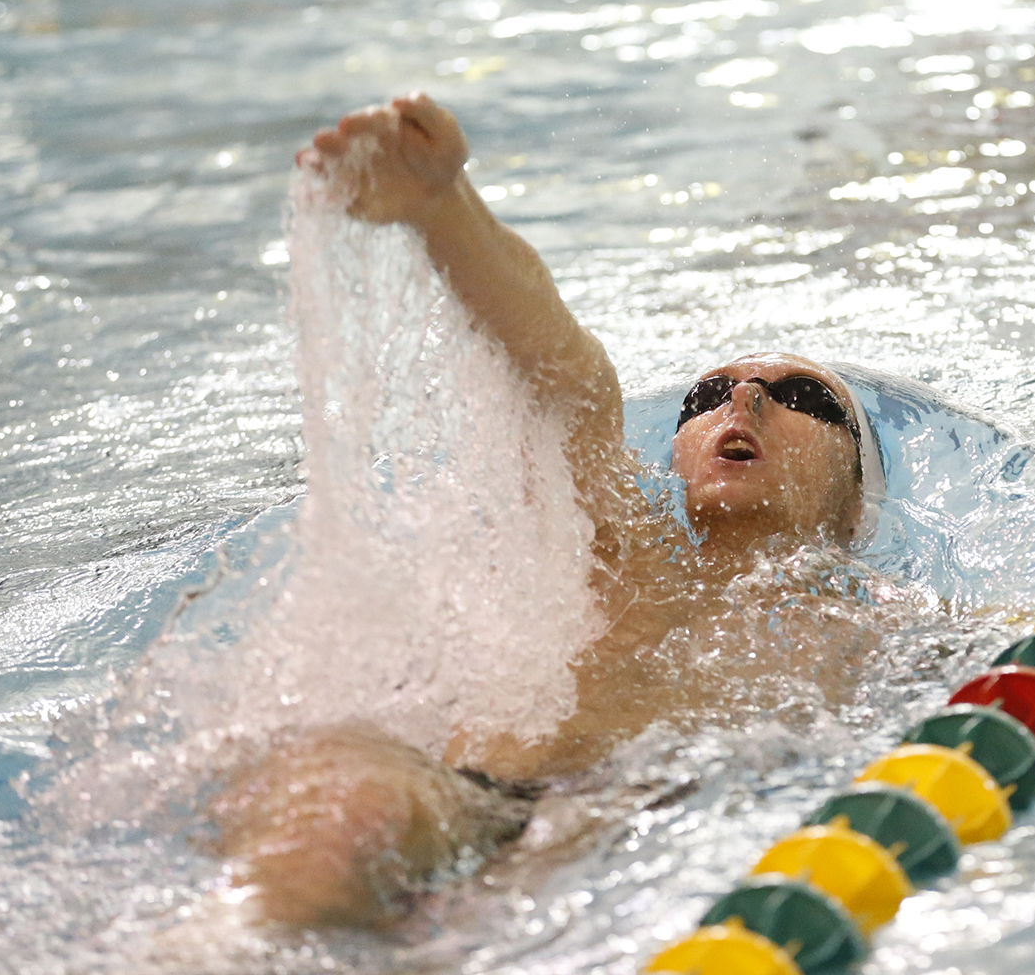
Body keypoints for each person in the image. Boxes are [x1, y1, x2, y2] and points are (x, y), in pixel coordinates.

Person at [209, 94, 887, 927]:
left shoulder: (887, 630)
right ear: (674, 457)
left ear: (857, 504)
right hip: (466, 810)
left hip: (651, 863)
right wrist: (443, 206)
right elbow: (568, 381)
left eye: (802, 398)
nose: (741, 401)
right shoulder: (625, 554)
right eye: (706, 397)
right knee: (340, 800)